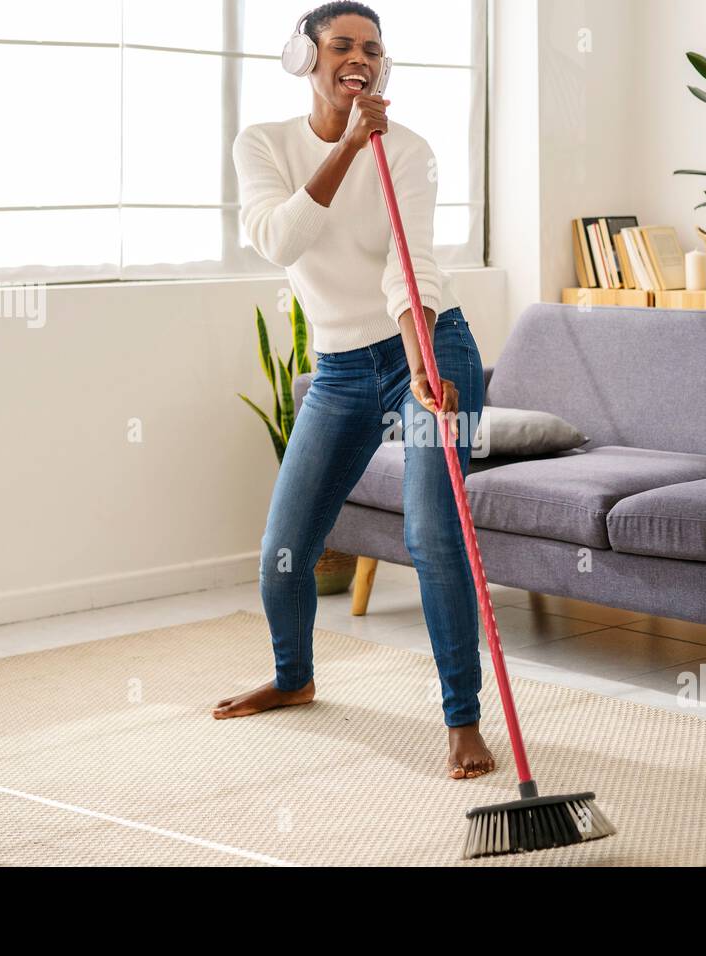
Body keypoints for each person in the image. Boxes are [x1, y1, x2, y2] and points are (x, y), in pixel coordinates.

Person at [213, 2, 494, 781]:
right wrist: (346, 143)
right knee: (284, 551)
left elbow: (411, 267)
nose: (359, 57)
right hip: (338, 371)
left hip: (427, 348)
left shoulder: (409, 150)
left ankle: (461, 718)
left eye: (372, 47)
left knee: (433, 538)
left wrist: (425, 368)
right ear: (305, 56)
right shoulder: (263, 144)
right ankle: (294, 675)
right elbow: (280, 239)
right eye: (341, 44)